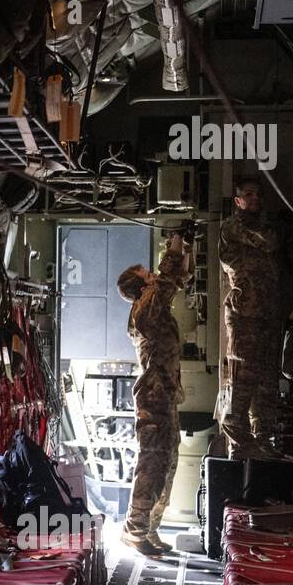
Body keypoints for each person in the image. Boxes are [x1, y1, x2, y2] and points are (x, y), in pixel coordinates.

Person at [115, 233, 190, 556]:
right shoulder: (145, 309)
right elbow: (167, 282)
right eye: (147, 272)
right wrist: (173, 247)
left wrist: (183, 250)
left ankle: (150, 529)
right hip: (155, 398)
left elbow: (174, 280)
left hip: (164, 395)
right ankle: (135, 530)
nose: (153, 274)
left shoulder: (150, 308)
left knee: (167, 464)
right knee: (153, 465)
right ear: (140, 287)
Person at [218, 178, 282, 459]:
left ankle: (264, 442)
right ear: (237, 201)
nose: (255, 198)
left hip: (266, 312)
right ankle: (240, 446)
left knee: (267, 379)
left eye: (258, 194)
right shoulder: (234, 226)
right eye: (248, 194)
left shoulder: (260, 224)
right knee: (242, 378)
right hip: (245, 314)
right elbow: (270, 241)